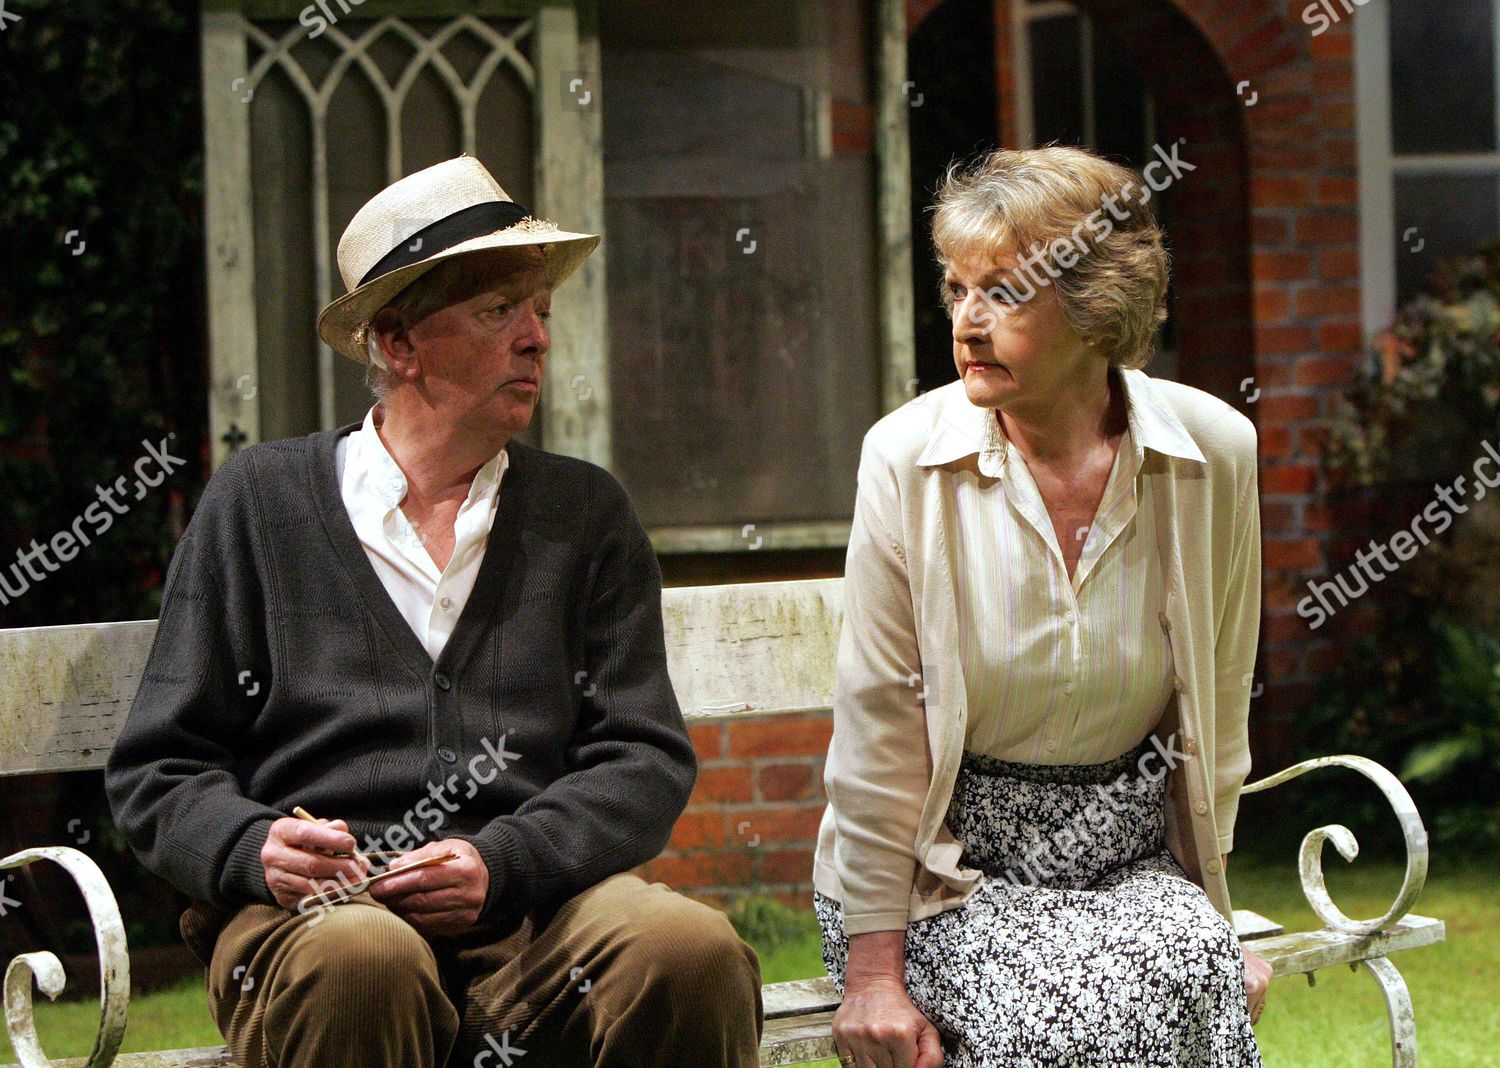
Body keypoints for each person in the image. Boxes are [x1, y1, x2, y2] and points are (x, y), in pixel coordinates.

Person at [104, 154, 763, 1068]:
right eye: (501, 311)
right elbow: (160, 769)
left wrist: (509, 863)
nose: (537, 338)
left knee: (687, 951)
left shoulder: (585, 515)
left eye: (541, 309)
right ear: (400, 342)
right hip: (318, 928)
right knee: (366, 955)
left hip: (538, 926)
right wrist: (256, 848)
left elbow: (641, 756)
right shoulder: (260, 503)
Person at [810, 145, 1272, 1067]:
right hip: (942, 872)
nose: (968, 324)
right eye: (956, 291)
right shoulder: (906, 461)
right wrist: (872, 975)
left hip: (1127, 856)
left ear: (1100, 305)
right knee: (1080, 1010)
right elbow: (879, 733)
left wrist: (1214, 920)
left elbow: (1215, 709)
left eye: (1005, 293)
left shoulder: (1213, 451)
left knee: (1194, 971)